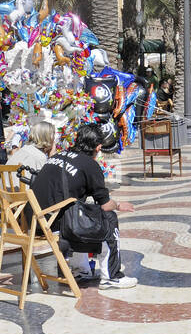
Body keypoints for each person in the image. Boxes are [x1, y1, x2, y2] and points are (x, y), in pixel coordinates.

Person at [30, 122, 137, 289]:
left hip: (35, 222)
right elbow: (105, 205)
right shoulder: (90, 165)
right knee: (108, 218)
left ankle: (81, 270)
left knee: (78, 211)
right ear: (98, 146)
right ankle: (111, 276)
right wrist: (119, 205)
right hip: (56, 226)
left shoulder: (57, 156)